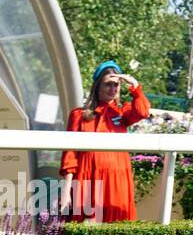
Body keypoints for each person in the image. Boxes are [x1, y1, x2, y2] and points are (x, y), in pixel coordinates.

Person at [60, 60, 149, 222]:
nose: (113, 89)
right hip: (88, 177)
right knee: (87, 227)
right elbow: (70, 155)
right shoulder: (78, 115)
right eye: (108, 84)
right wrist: (66, 190)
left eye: (116, 85)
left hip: (117, 179)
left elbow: (143, 112)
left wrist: (135, 86)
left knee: (117, 228)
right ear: (98, 86)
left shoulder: (123, 112)